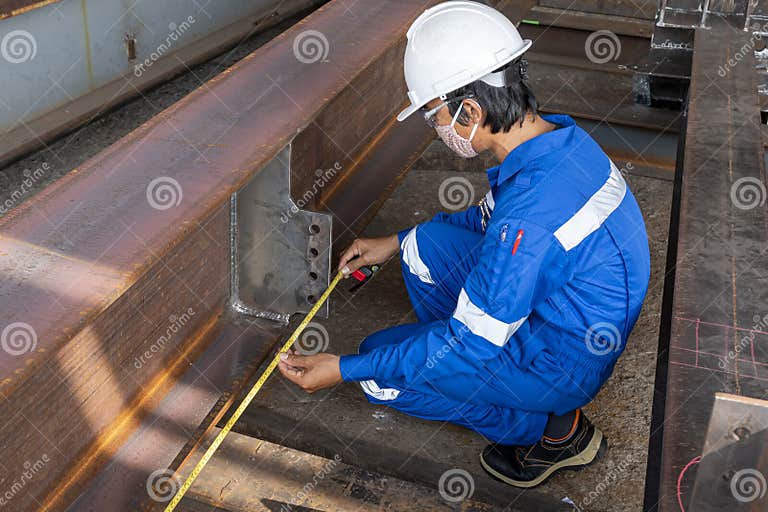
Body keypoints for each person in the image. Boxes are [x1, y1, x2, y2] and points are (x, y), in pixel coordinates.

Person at [278, 0, 650, 488]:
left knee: (379, 370)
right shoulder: (555, 141)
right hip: (567, 315)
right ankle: (476, 368)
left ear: (470, 109)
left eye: (434, 115)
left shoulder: (532, 216)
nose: (435, 129)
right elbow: (490, 219)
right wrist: (394, 241)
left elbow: (480, 321)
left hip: (564, 361)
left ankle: (558, 433)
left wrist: (343, 367)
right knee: (425, 244)